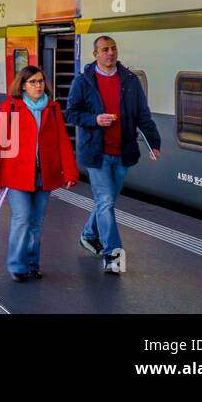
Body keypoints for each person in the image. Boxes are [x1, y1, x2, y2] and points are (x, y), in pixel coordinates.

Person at [65, 36, 161, 275]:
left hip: (122, 152)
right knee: (106, 202)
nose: (110, 53)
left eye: (113, 49)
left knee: (105, 202)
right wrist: (95, 120)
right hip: (96, 154)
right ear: (95, 54)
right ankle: (113, 254)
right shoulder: (84, 81)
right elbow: (71, 114)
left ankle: (89, 235)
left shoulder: (129, 80)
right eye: (105, 50)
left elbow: (142, 114)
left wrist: (154, 143)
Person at [0, 66, 79, 281]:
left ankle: (32, 264)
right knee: (23, 218)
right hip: (16, 175)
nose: (38, 85)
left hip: (44, 175)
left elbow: (63, 142)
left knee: (36, 222)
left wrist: (70, 172)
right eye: (33, 82)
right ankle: (17, 265)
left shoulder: (52, 109)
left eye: (41, 81)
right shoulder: (11, 108)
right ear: (23, 86)